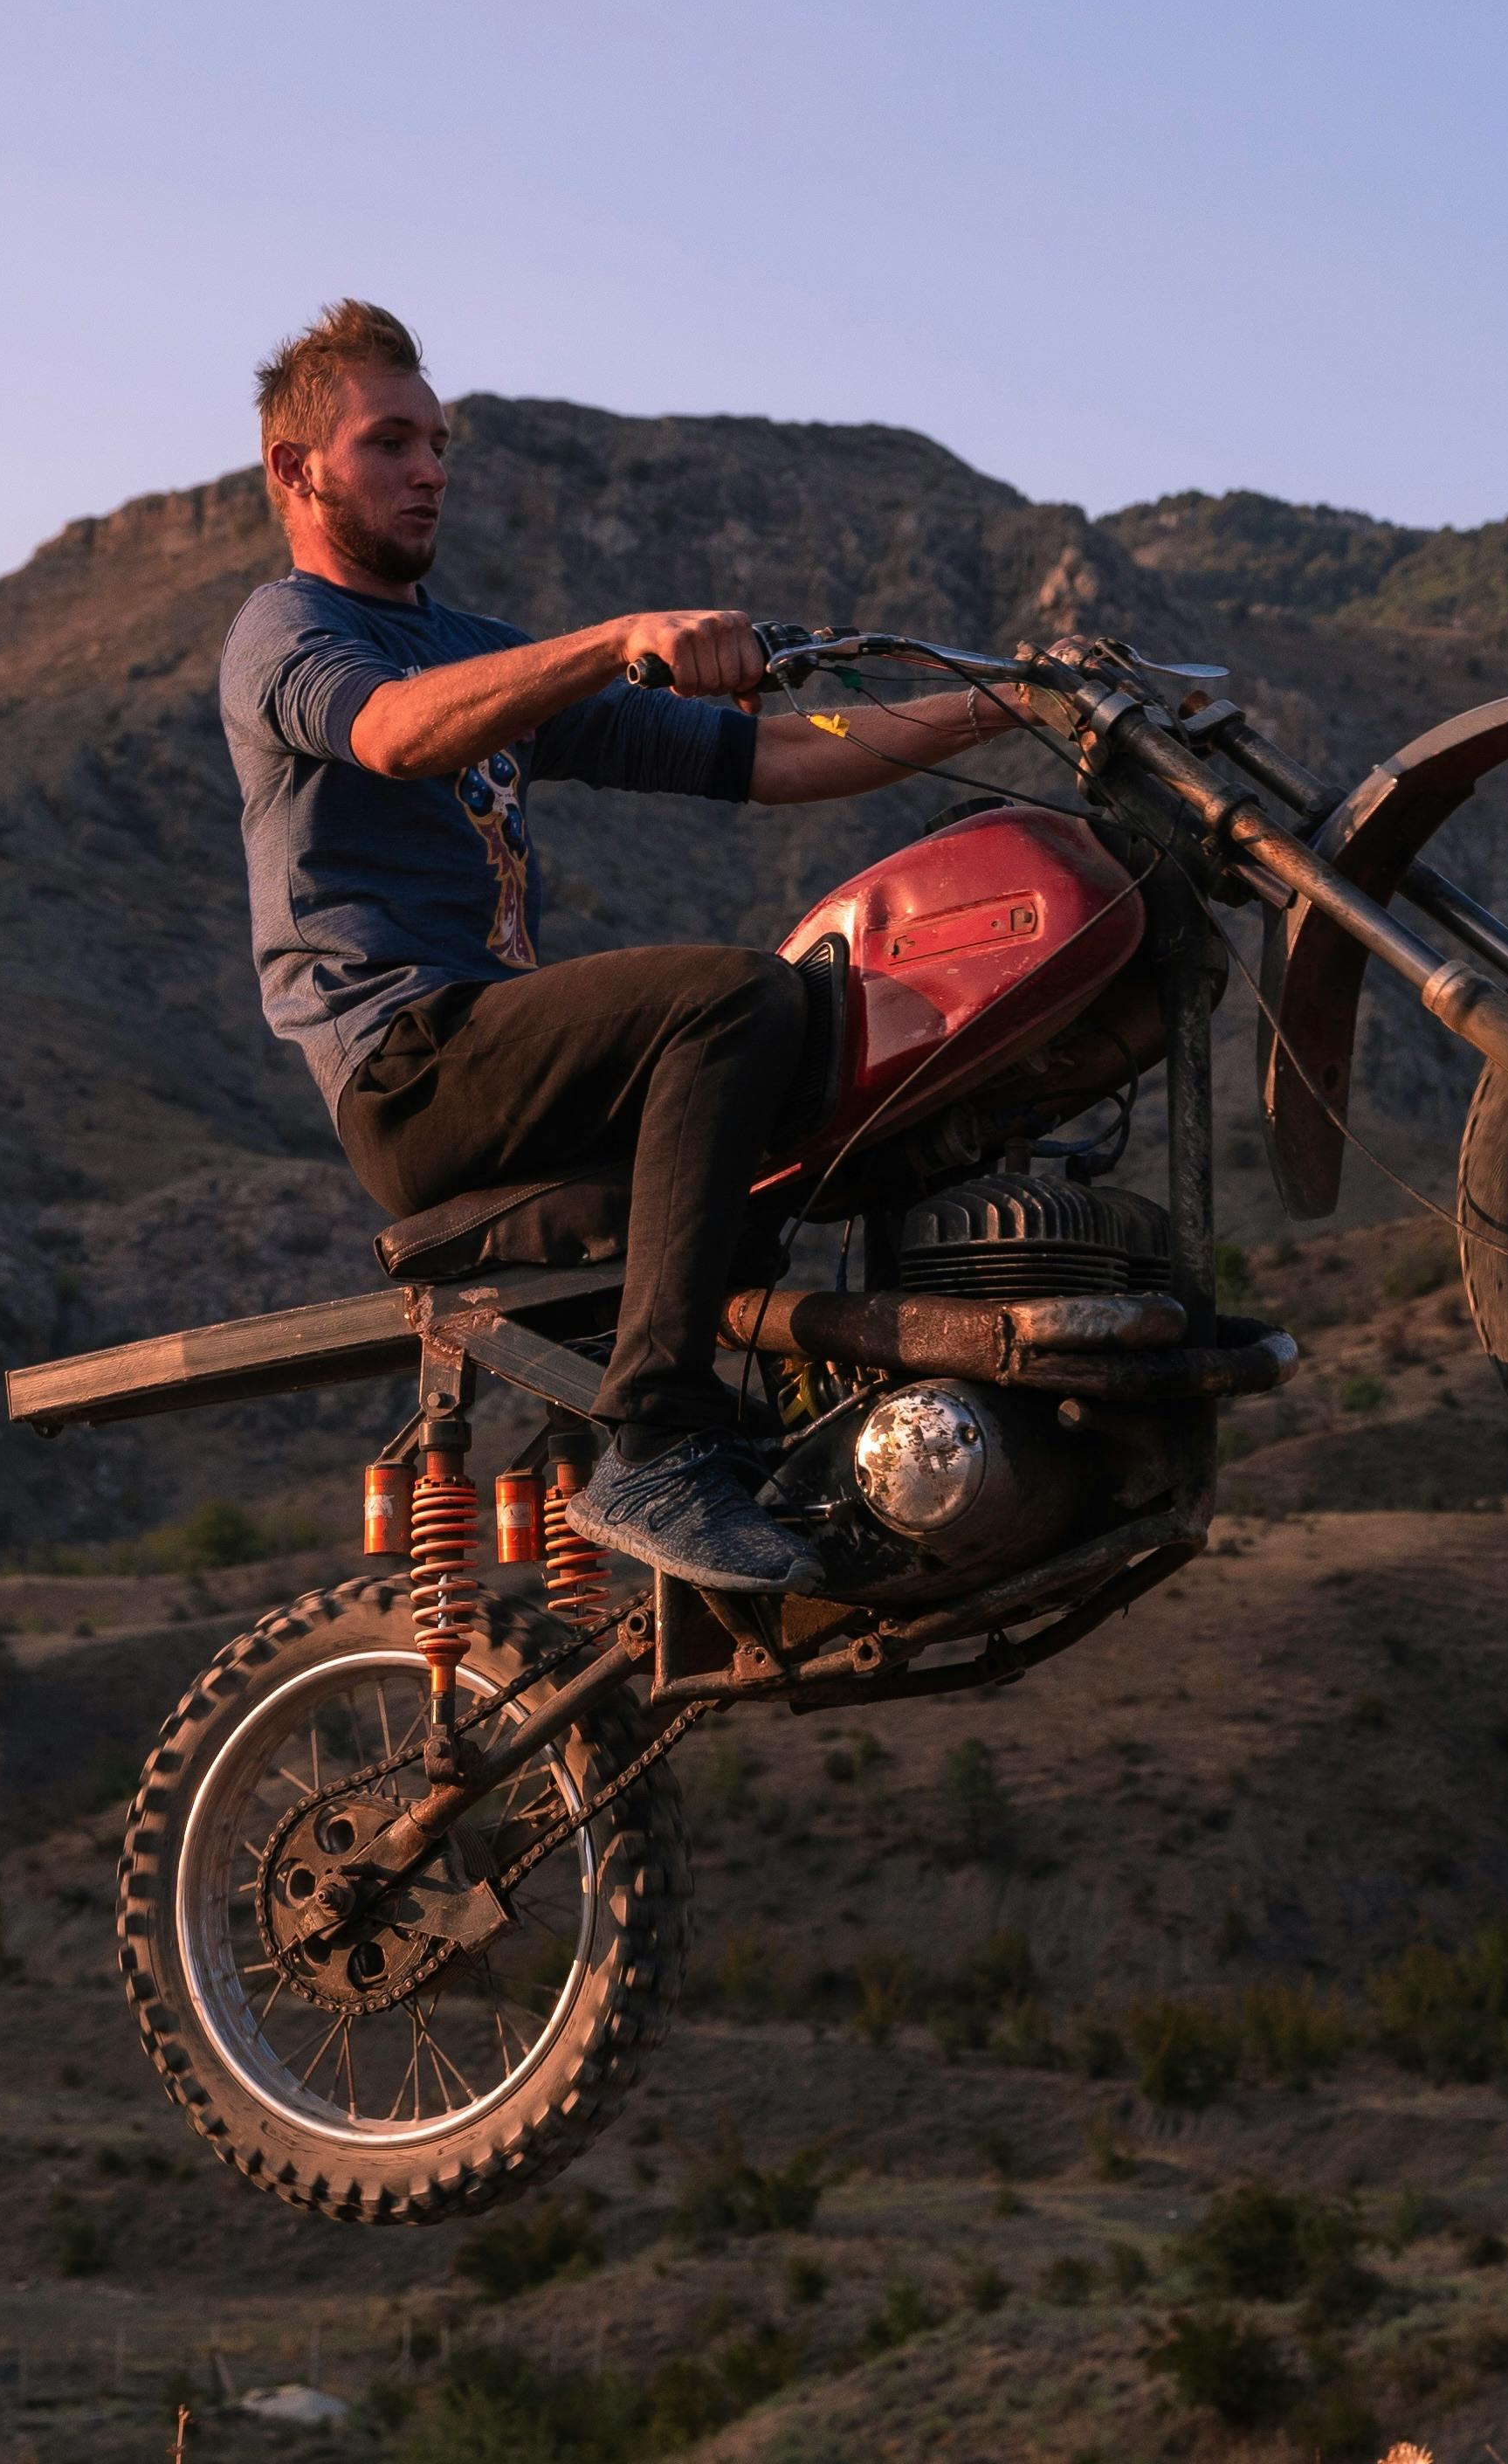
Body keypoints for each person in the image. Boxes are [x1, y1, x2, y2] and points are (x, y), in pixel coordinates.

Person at [218, 298, 1008, 1592]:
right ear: (296, 470)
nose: (430, 469)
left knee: (831, 1045)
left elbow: (763, 758)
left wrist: (1002, 702)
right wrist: (610, 641)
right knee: (731, 1001)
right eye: (391, 443)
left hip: (505, 1067)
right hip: (411, 1066)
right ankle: (652, 1446)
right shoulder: (288, 632)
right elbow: (396, 736)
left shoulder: (481, 654)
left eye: (440, 442)